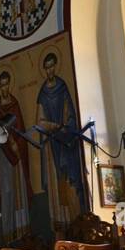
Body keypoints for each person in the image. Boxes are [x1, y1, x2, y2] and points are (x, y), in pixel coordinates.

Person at [34, 53, 88, 227]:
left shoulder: (62, 87)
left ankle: (76, 222)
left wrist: (65, 126)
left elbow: (71, 115)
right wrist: (53, 125)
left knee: (70, 181)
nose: (49, 70)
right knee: (56, 185)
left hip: (65, 141)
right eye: (47, 67)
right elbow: (39, 122)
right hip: (52, 143)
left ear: (55, 66)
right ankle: (60, 223)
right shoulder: (43, 92)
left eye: (52, 66)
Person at [0, 70, 32, 242]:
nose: (4, 88)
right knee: (7, 194)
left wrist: (17, 145)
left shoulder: (14, 105)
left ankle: (23, 235)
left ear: (10, 85)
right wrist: (4, 142)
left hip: (16, 155)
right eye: (2, 85)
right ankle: (8, 237)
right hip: (4, 157)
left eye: (7, 84)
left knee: (19, 193)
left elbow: (20, 131)